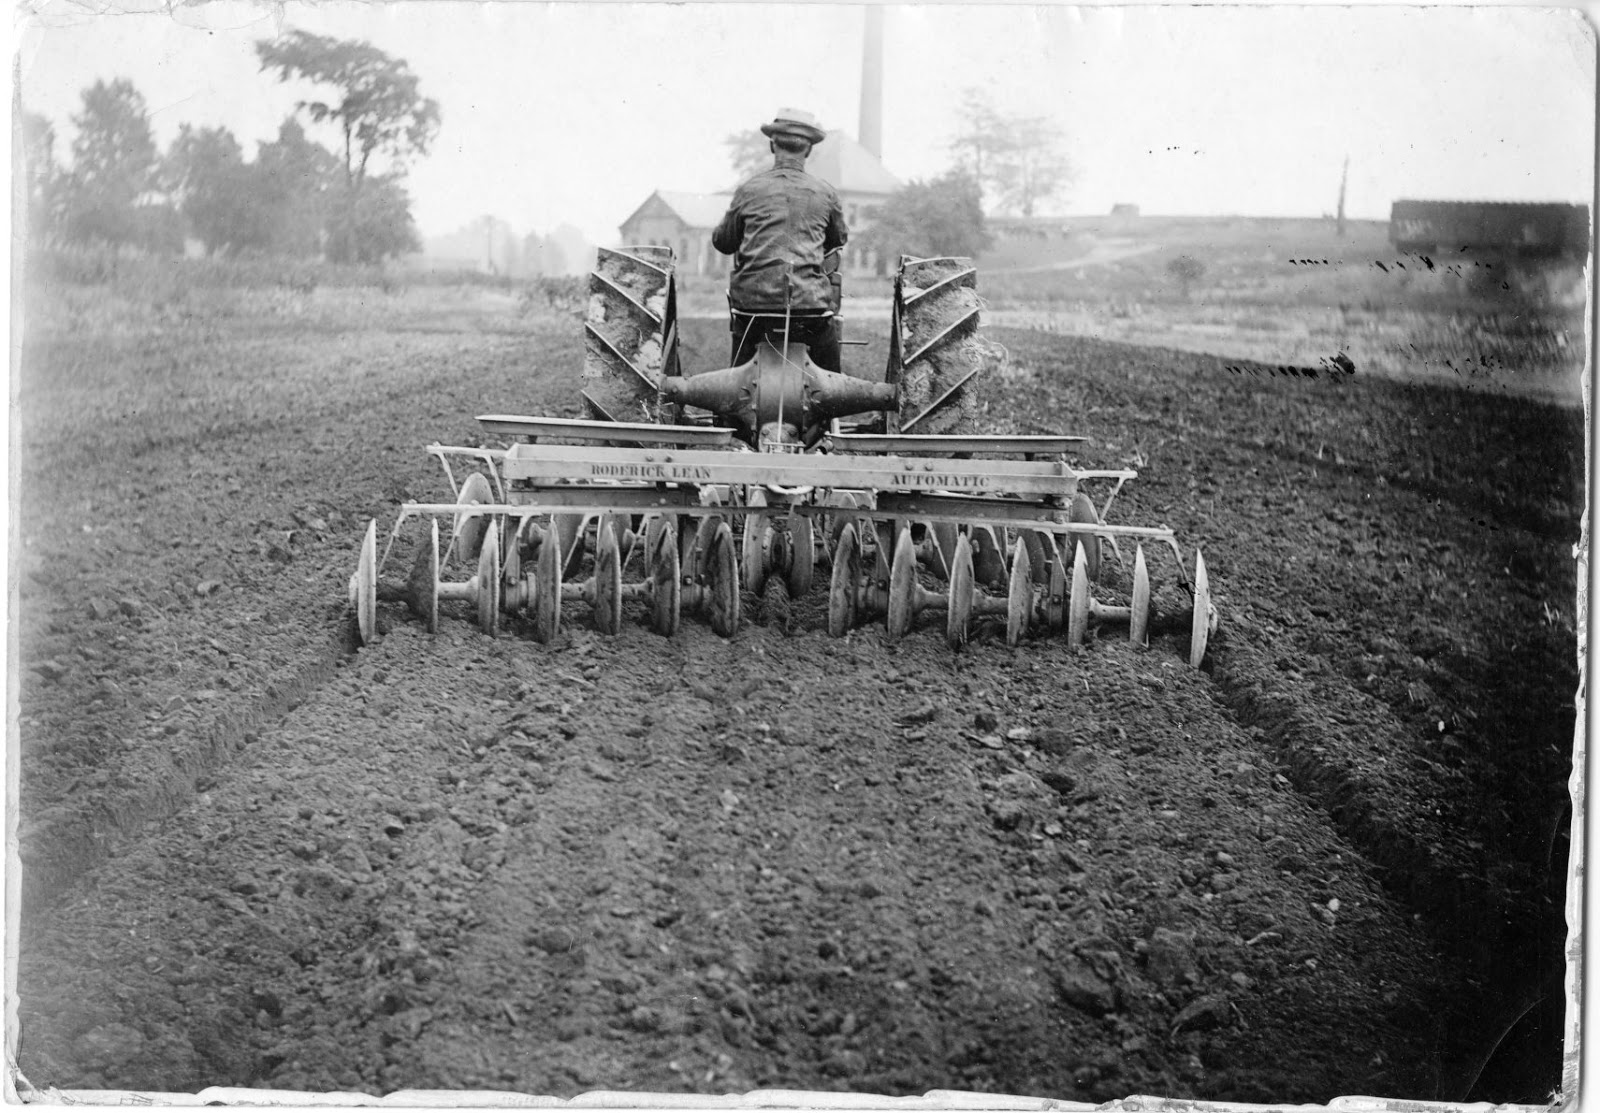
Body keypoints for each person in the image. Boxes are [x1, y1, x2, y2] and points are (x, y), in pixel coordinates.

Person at [712, 109, 849, 372]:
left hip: (752, 308)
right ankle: (828, 405)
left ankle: (733, 407)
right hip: (809, 308)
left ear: (772, 144)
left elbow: (723, 242)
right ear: (808, 150)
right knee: (831, 374)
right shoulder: (825, 193)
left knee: (739, 365)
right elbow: (838, 239)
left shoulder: (749, 189)